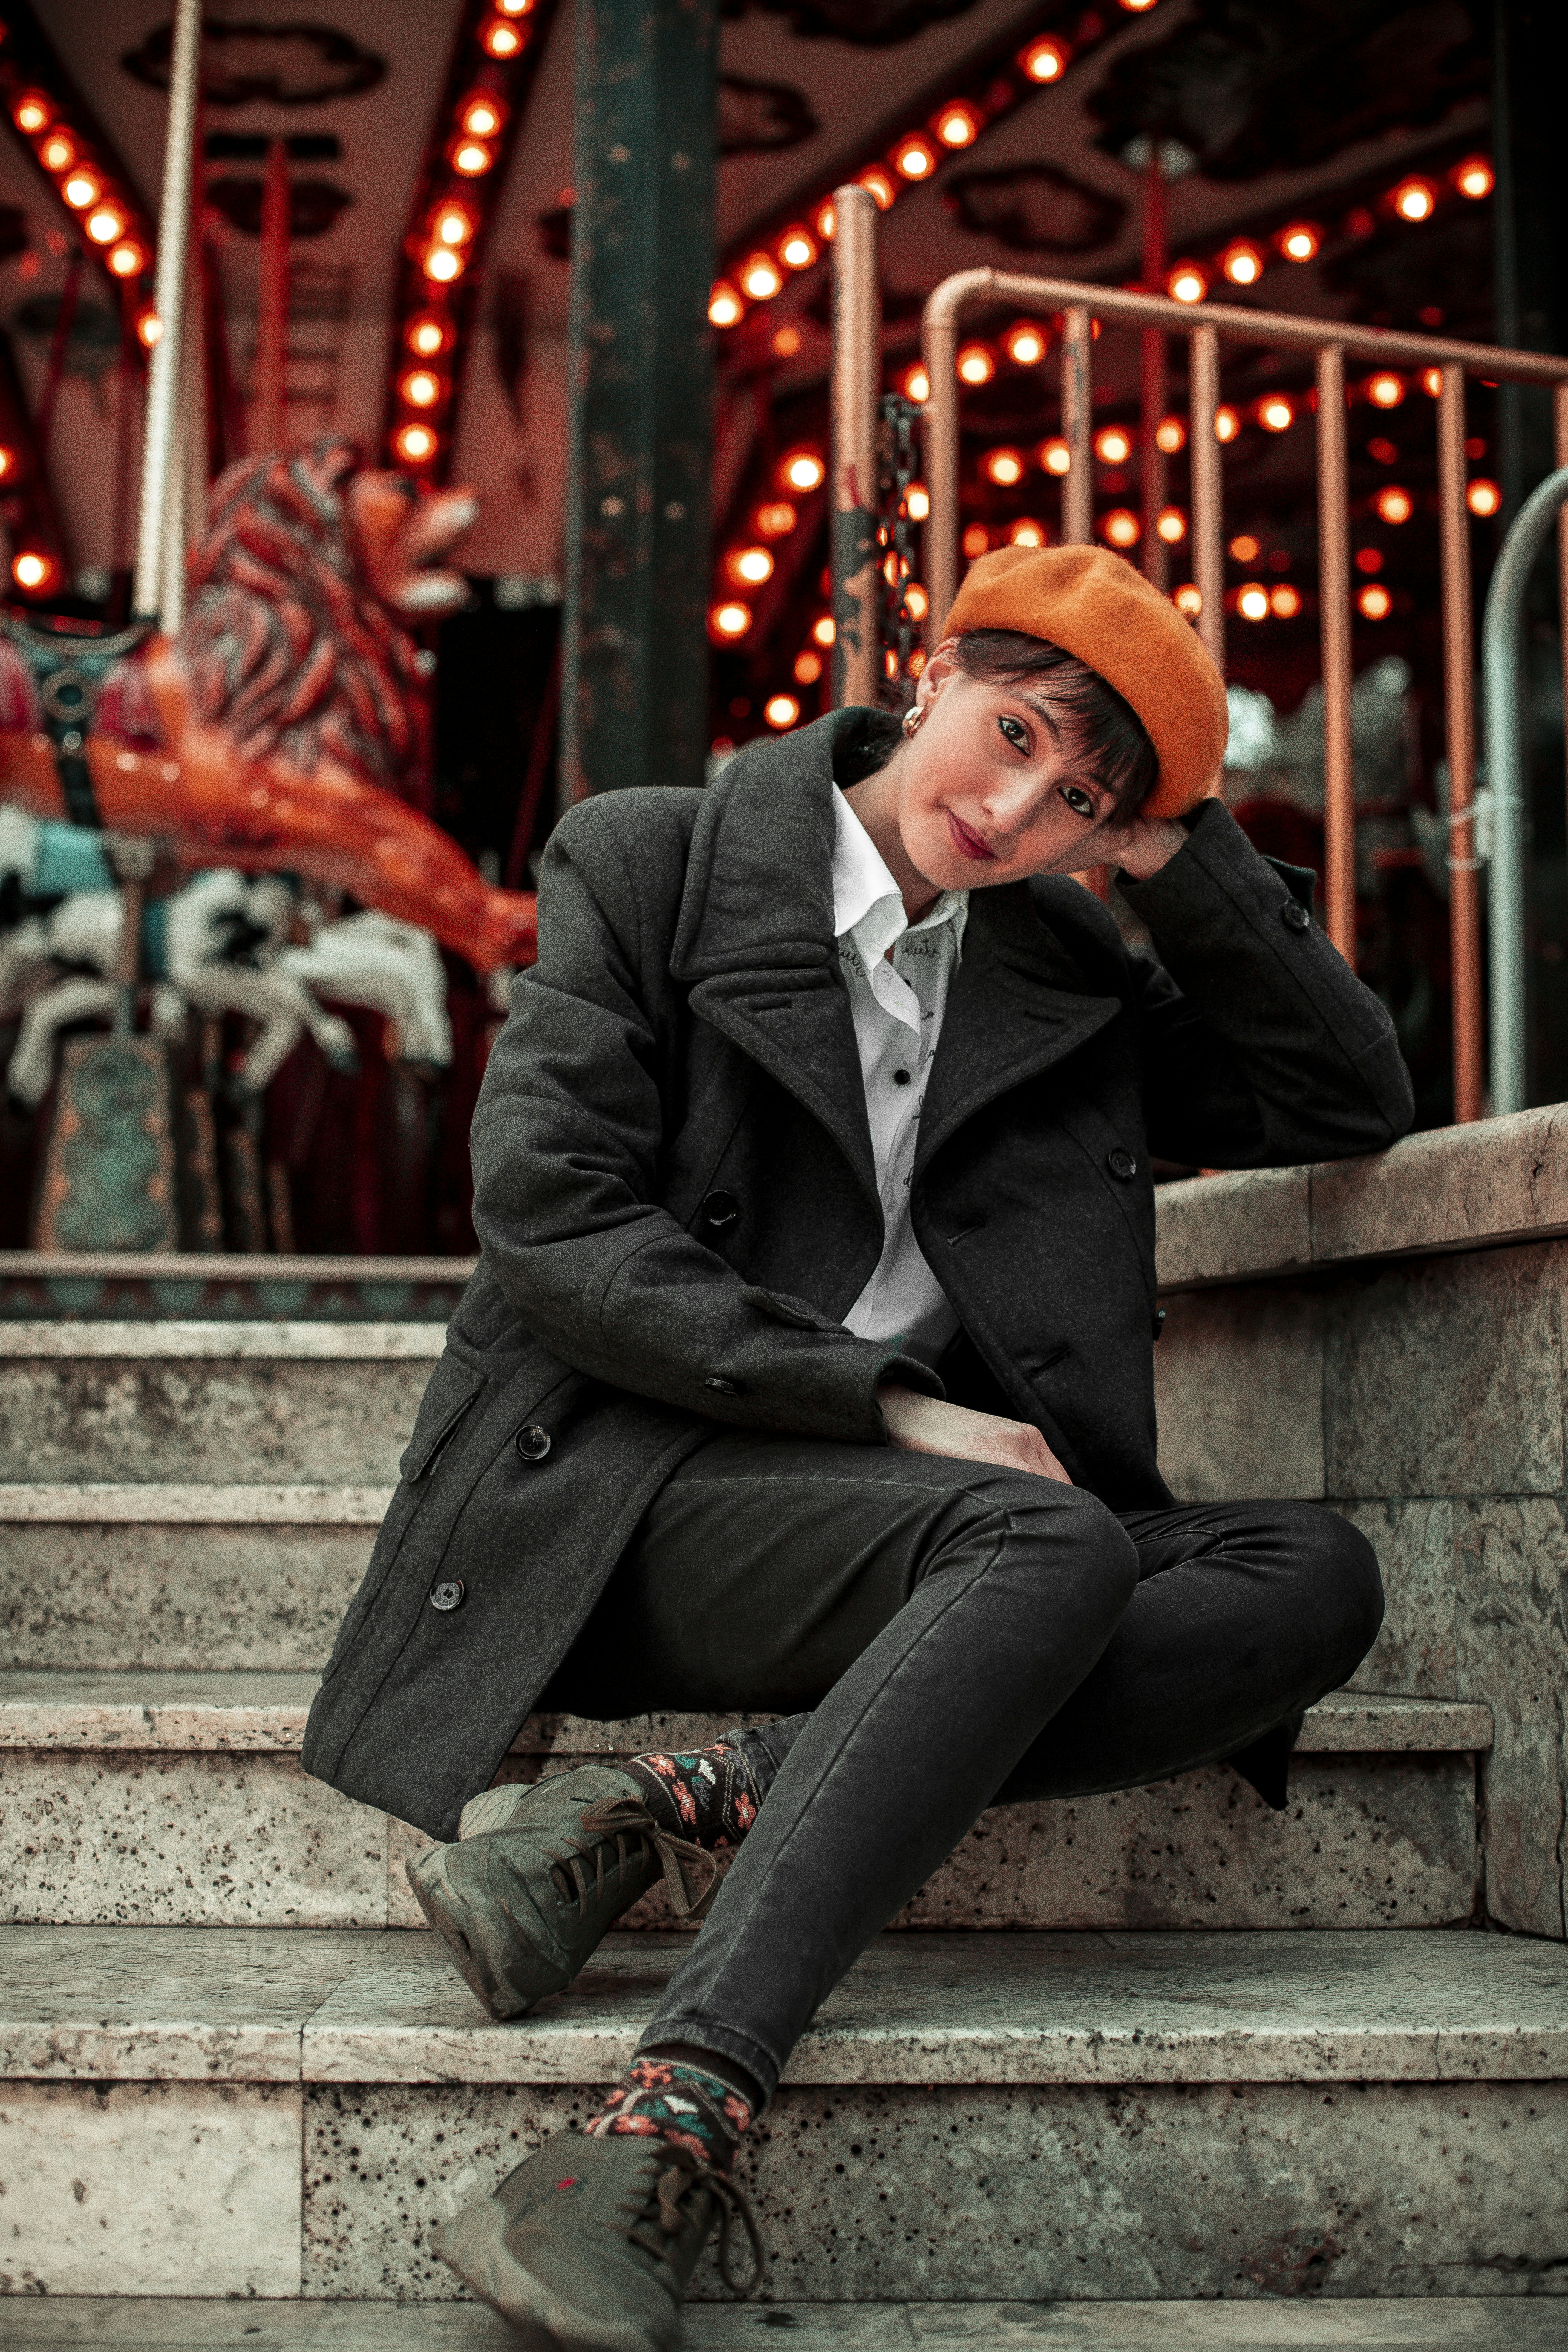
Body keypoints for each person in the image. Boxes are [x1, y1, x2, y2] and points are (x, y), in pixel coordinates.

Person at [301, 544, 1412, 2352]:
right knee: (1047, 1541)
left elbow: (1344, 1097)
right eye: (1017, 733)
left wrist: (1179, 846)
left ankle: (672, 1801)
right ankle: (664, 2122)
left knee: (1312, 1576)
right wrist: (888, 1403)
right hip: (618, 1491)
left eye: (1082, 801)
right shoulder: (648, 859)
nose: (1019, 809)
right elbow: (551, 1213)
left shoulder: (1058, 957)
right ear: (932, 672)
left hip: (898, 1540)